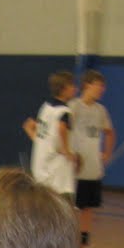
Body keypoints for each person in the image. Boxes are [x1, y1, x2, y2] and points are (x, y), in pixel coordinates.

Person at [69, 71, 115, 248]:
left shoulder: (101, 110)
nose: (101, 89)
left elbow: (110, 132)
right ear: (87, 85)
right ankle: (67, 245)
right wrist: (68, 154)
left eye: (103, 86)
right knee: (71, 206)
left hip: (92, 166)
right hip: (74, 167)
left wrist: (107, 153)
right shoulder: (73, 107)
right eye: (98, 85)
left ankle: (84, 246)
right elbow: (61, 131)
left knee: (88, 206)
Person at [22, 72, 75, 205]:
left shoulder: (45, 107)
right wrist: (66, 150)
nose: (75, 88)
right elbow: (61, 128)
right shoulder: (64, 111)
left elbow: (38, 135)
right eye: (72, 85)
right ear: (64, 89)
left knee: (41, 205)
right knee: (62, 206)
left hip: (40, 164)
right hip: (56, 169)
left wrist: (30, 130)